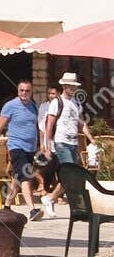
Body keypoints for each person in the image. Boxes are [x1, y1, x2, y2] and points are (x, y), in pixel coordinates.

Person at [40, 73, 91, 221]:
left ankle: (50, 198)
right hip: (61, 142)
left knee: (74, 175)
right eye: (70, 86)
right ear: (64, 86)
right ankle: (78, 208)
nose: (73, 88)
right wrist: (47, 146)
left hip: (73, 143)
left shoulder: (76, 103)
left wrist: (91, 139)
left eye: (75, 86)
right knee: (70, 174)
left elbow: (81, 123)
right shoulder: (57, 102)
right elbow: (48, 125)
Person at [0, 79, 40, 214]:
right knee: (25, 176)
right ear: (18, 91)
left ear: (31, 92)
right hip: (16, 146)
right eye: (21, 90)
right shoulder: (10, 106)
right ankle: (32, 209)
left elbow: (36, 127)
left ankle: (6, 205)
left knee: (17, 178)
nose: (24, 93)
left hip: (30, 148)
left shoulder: (34, 106)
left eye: (27, 91)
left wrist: (40, 145)